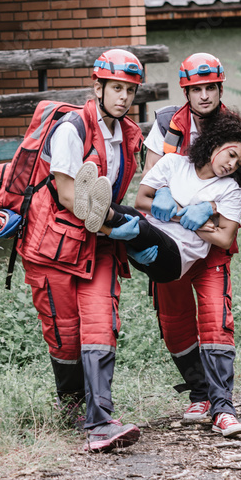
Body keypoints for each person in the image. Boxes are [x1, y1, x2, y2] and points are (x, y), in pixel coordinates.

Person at [17, 48, 145, 453]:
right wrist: (113, 221)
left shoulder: (128, 136)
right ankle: (73, 408)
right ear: (98, 87)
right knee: (65, 335)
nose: (123, 97)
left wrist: (129, 227)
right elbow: (70, 195)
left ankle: (100, 420)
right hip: (54, 245)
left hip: (100, 243)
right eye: (116, 88)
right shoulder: (72, 129)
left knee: (101, 324)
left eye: (130, 90)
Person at [140, 53, 241, 437]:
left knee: (215, 321)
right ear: (185, 90)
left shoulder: (236, 129)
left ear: (220, 89)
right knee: (174, 322)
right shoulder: (165, 125)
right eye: (197, 89)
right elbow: (151, 181)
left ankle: (224, 407)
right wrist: (167, 205)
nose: (204, 96)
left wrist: (208, 205)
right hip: (169, 243)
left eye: (211, 88)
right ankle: (199, 392)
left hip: (210, 245)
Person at [75, 109, 241, 288]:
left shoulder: (231, 190)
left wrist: (175, 213)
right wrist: (194, 220)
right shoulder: (173, 163)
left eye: (238, 163)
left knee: (140, 225)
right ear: (215, 143)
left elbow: (224, 239)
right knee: (128, 213)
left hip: (174, 259)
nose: (231, 164)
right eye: (231, 155)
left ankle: (105, 223)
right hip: (142, 247)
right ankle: (94, 205)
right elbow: (141, 201)